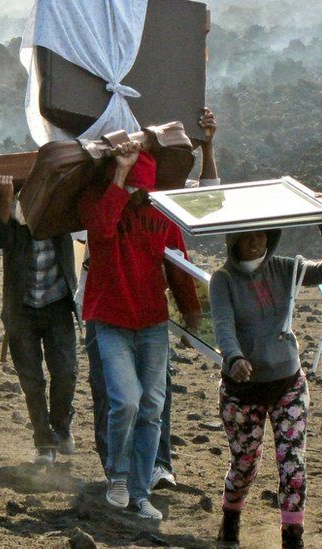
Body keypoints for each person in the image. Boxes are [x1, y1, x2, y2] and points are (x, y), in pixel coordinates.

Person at [83, 108, 221, 490]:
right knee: (114, 397)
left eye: (145, 191)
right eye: (135, 191)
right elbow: (101, 230)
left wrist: (193, 318)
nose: (140, 197)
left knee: (155, 399)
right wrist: (121, 176)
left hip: (149, 317)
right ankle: (117, 471)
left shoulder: (161, 210)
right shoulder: (99, 199)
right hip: (106, 314)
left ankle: (155, 467)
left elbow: (179, 261)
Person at [209, 221, 322, 549]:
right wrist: (234, 358)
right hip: (242, 391)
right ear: (234, 241)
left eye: (261, 235)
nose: (256, 242)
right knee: (245, 464)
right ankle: (230, 520)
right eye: (247, 236)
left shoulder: (285, 268)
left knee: (292, 464)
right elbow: (223, 326)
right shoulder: (222, 280)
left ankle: (292, 539)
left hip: (288, 385)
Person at [0, 174, 78, 465]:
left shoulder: (58, 215)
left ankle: (61, 424)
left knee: (65, 372)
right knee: (32, 381)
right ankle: (44, 442)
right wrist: (5, 199)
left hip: (57, 304)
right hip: (21, 309)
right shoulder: (12, 219)